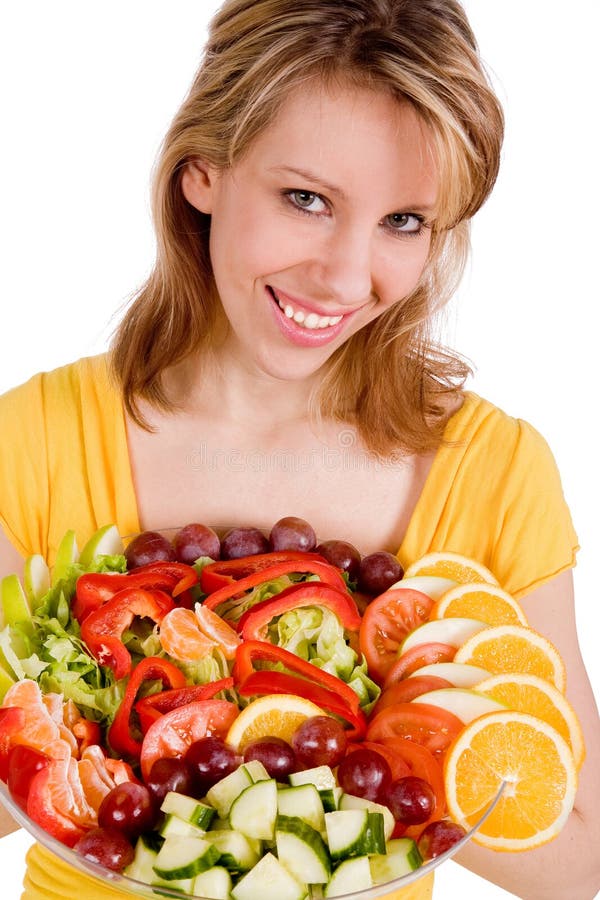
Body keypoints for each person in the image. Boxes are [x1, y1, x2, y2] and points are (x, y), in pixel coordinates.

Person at [0, 0, 598, 898]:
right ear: (203, 170)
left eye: (404, 221)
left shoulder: (494, 468)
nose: (347, 276)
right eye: (307, 199)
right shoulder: (34, 441)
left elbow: (582, 851)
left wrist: (383, 739)